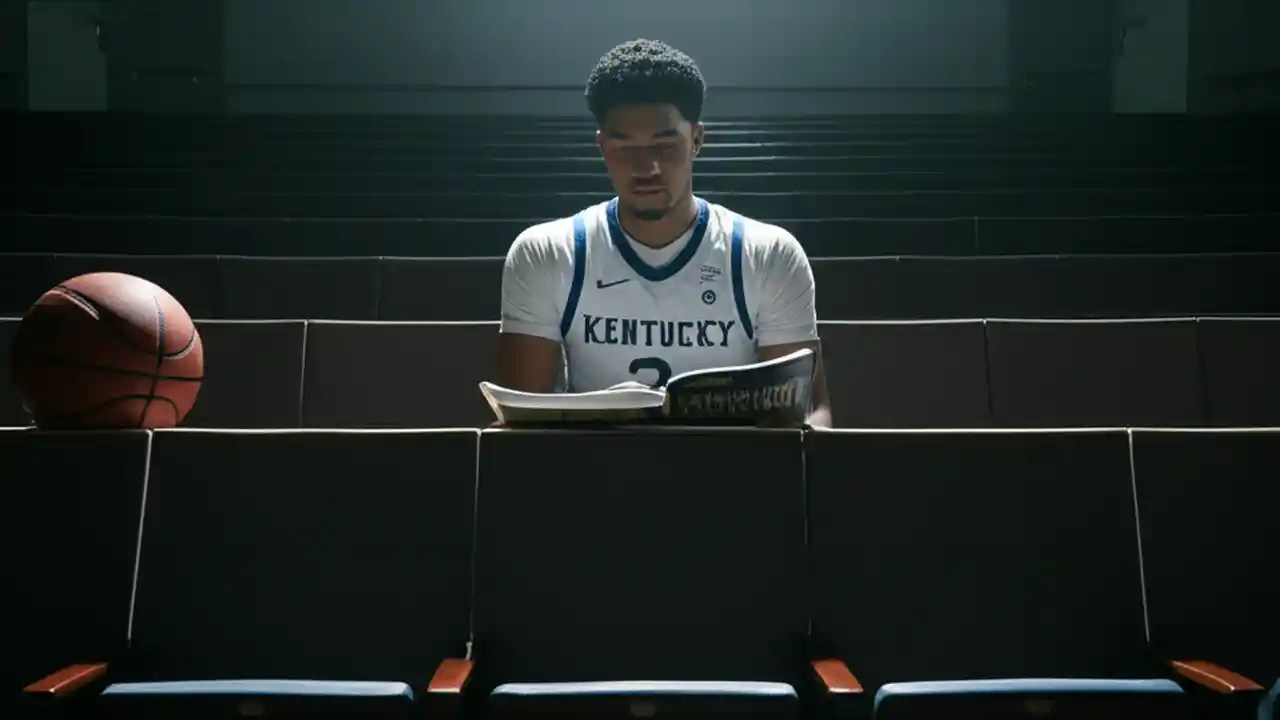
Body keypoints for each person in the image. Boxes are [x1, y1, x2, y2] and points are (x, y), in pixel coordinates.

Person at [496, 38, 832, 427]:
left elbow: (810, 413)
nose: (647, 168)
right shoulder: (547, 253)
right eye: (625, 148)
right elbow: (518, 423)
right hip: (593, 475)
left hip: (730, 475)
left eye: (664, 145)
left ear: (696, 141)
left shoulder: (768, 254)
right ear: (602, 148)